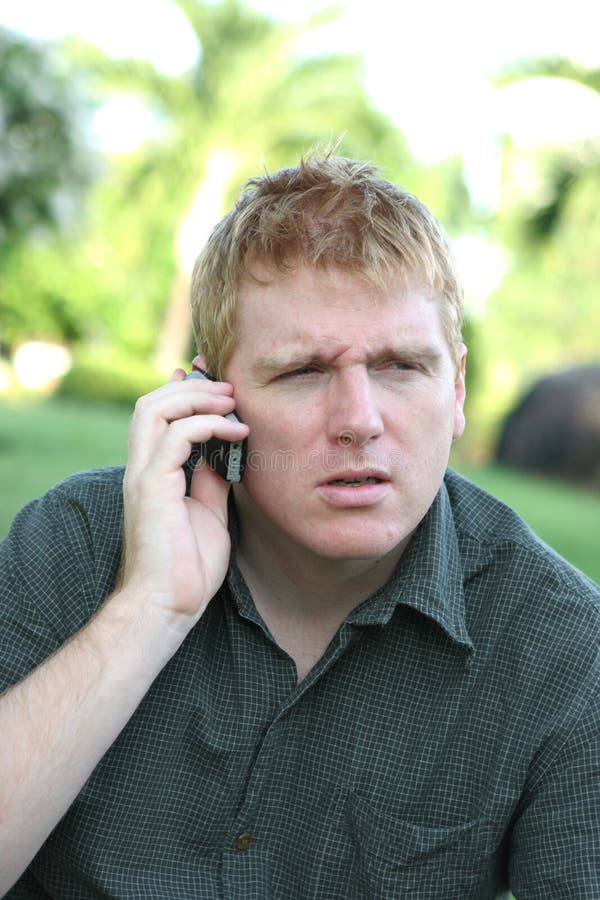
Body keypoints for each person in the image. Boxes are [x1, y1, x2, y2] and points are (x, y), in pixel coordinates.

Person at [1, 152, 599, 900]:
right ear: (208, 401)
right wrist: (149, 609)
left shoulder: (564, 648)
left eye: (402, 367)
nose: (359, 421)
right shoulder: (76, 543)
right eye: (303, 371)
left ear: (457, 390)